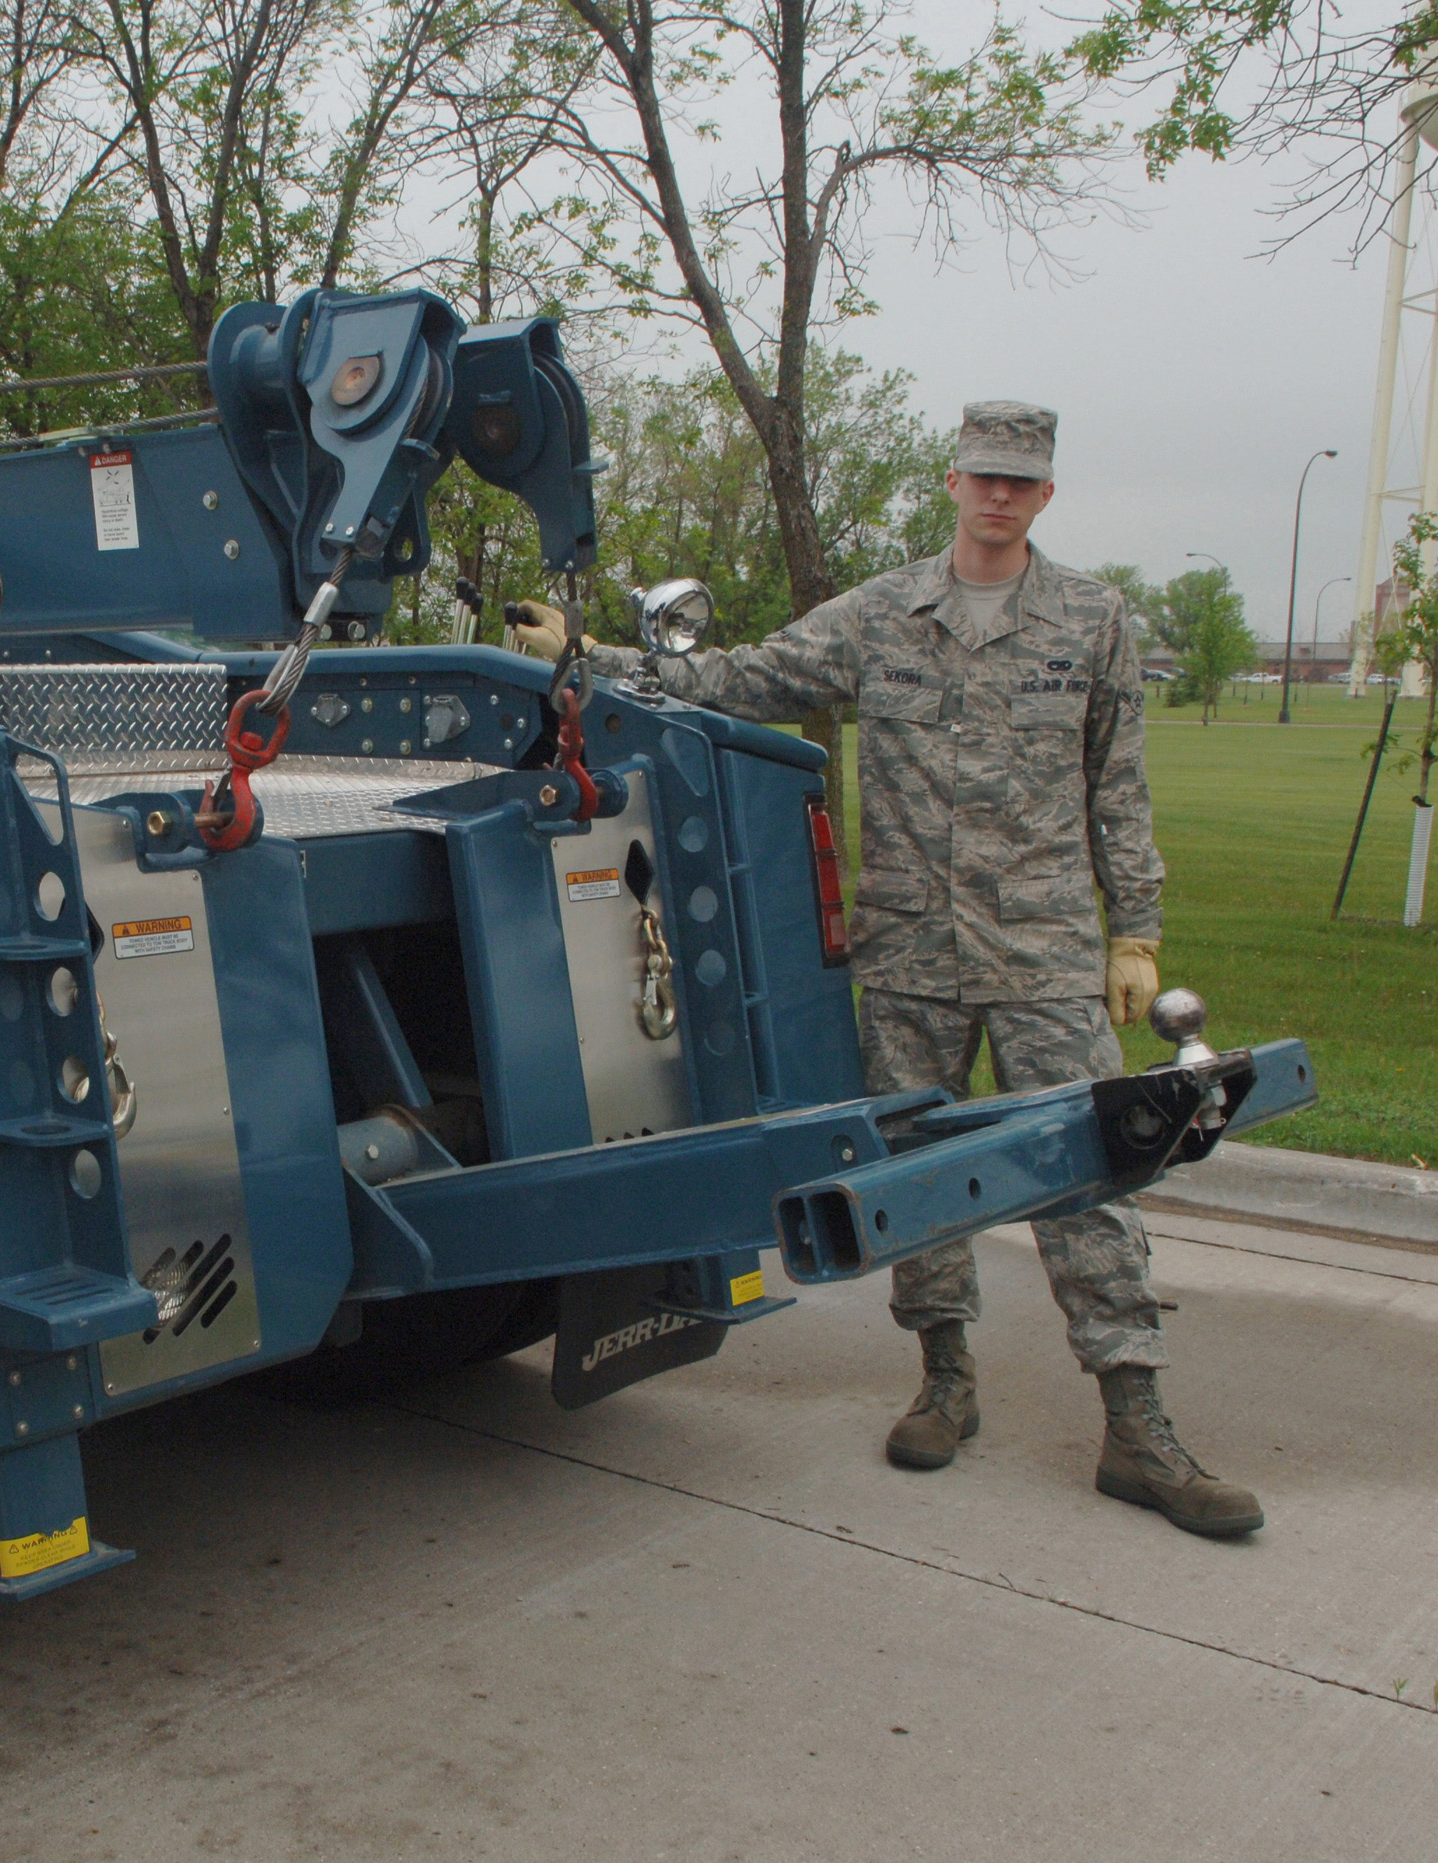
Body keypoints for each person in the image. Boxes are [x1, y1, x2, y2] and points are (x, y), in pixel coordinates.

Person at [516, 401, 1262, 1538]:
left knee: (1094, 1172)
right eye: (983, 477)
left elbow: (1119, 788)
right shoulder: (882, 615)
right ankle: (945, 1380)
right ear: (953, 482)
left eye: (1021, 482)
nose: (999, 496)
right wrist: (587, 658)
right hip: (912, 948)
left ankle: (1136, 1422)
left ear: (1046, 494)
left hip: (1046, 952)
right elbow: (744, 678)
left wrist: (1135, 931)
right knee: (916, 1172)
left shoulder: (1091, 619)